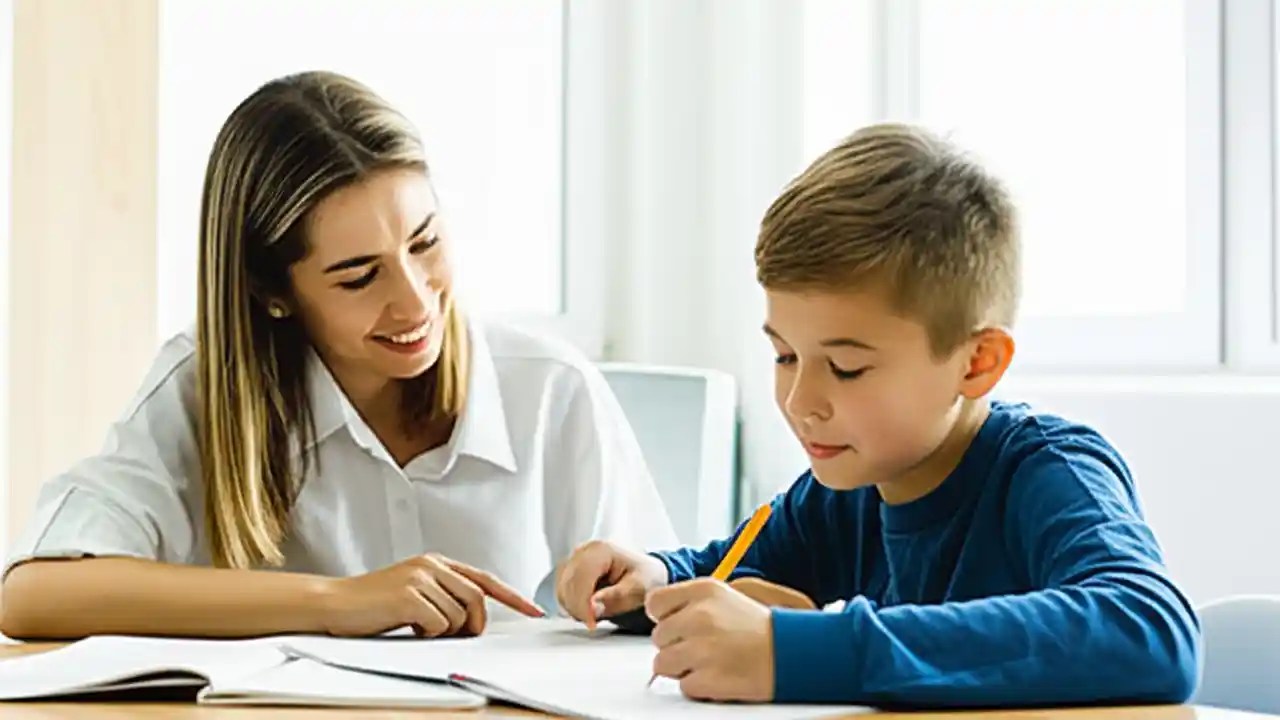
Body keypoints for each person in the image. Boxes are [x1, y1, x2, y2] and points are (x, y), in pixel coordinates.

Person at [0, 70, 676, 640]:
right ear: (272, 293)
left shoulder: (551, 390)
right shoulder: (201, 389)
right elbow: (32, 594)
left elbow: (658, 602)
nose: (415, 305)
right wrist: (339, 601)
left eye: (426, 243)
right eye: (358, 277)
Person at [556, 123, 1200, 707]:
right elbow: (729, 572)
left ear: (976, 362)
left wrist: (801, 649)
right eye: (784, 356)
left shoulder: (1048, 471)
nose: (801, 401)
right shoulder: (846, 487)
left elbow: (1147, 627)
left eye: (847, 368)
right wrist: (652, 582)